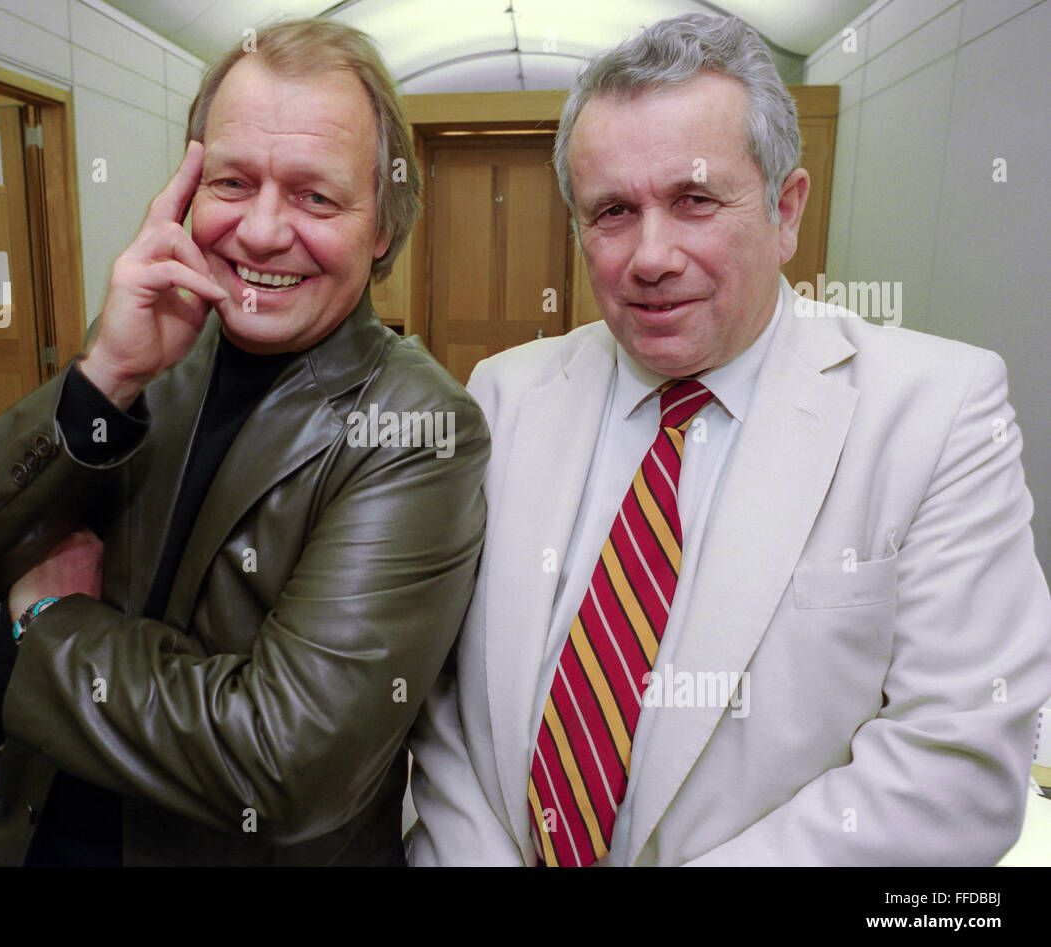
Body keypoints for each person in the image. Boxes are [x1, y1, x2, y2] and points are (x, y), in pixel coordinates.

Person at [407, 12, 1051, 866]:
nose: (651, 255)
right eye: (612, 211)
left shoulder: (938, 413)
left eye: (695, 200)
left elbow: (955, 766)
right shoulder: (504, 393)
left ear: (786, 211)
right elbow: (448, 707)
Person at [0, 18, 489, 866]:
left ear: (383, 229)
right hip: (35, 827)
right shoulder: (151, 343)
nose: (259, 231)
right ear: (186, 191)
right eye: (231, 182)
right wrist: (101, 377)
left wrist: (49, 620)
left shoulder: (419, 428)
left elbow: (284, 764)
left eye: (314, 196)